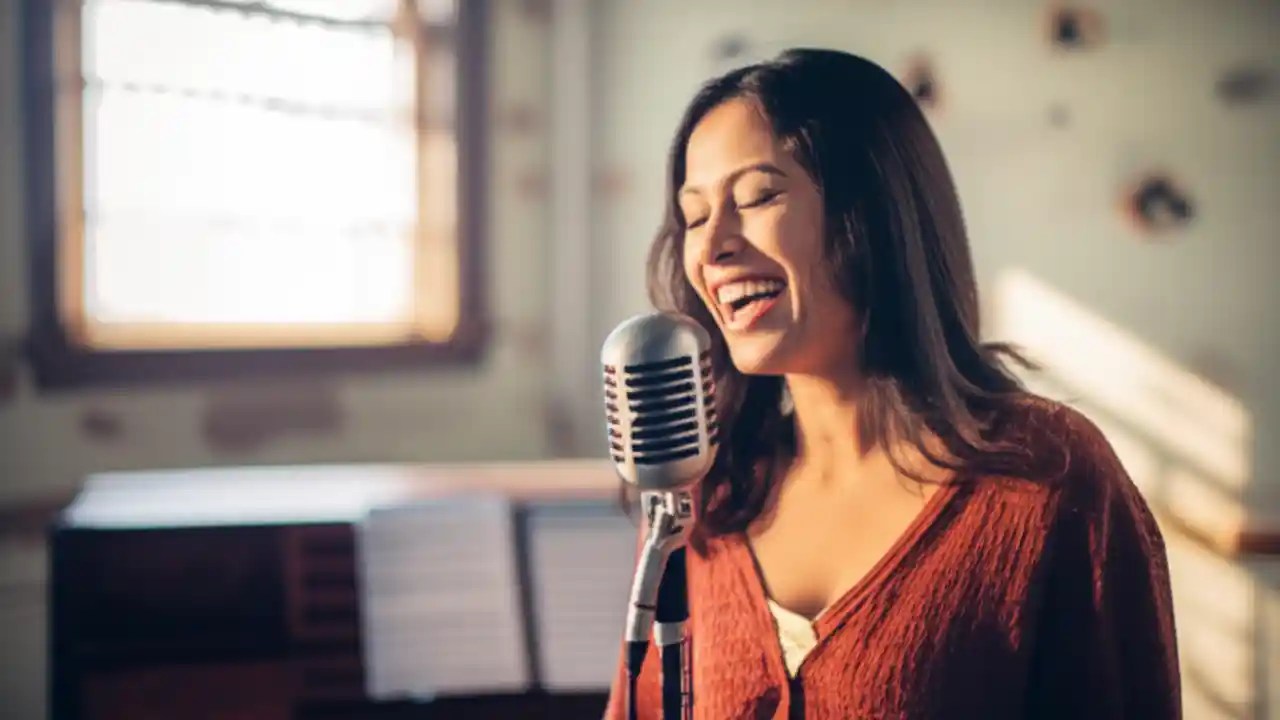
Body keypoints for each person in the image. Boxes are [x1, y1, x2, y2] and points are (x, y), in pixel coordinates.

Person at [603, 48, 1180, 719]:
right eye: (695, 215)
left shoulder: (1048, 476)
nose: (711, 248)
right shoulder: (707, 490)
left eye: (759, 196)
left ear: (871, 212)